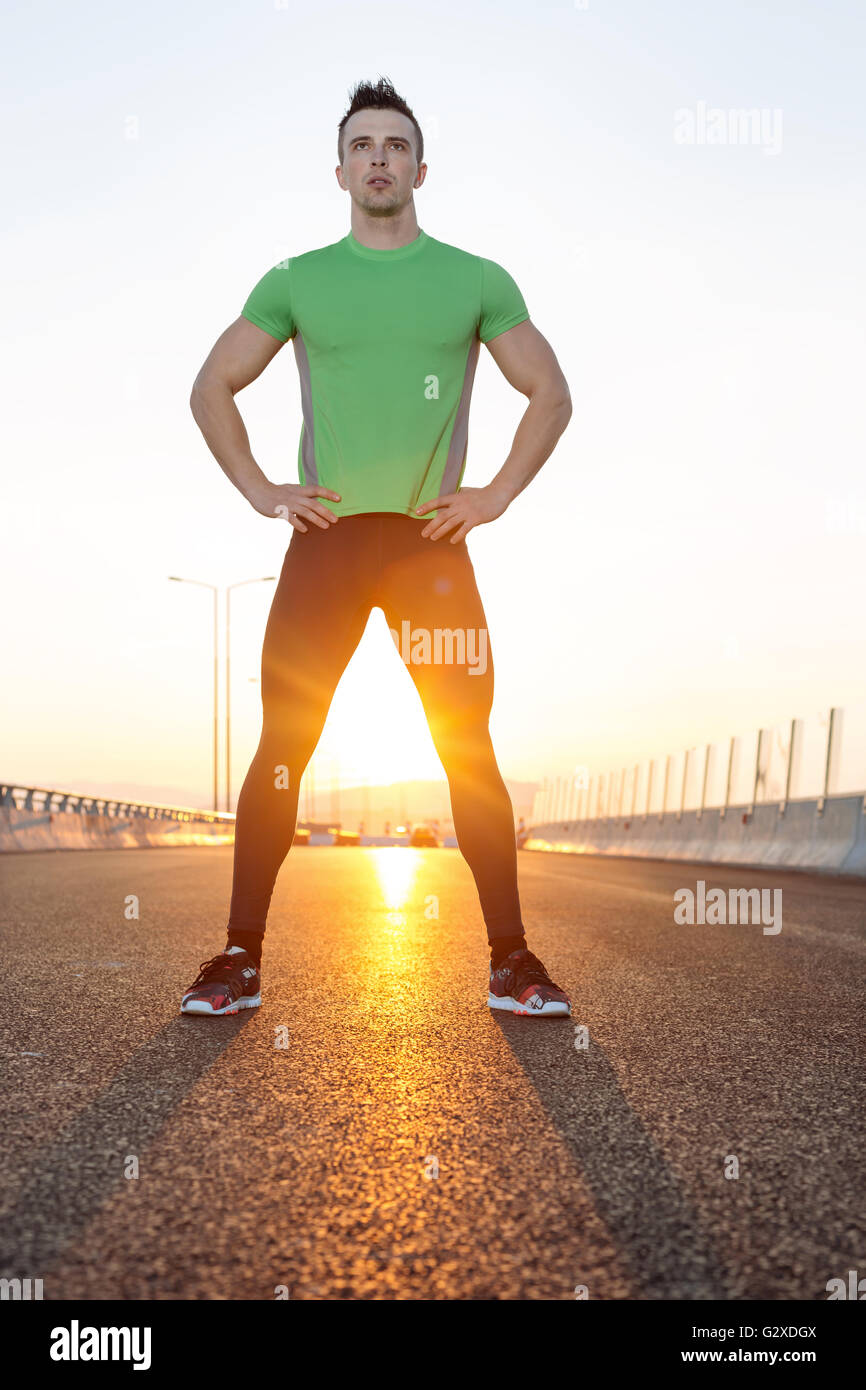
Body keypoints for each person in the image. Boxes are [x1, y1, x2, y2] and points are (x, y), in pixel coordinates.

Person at [183, 77, 572, 1019]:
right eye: (364, 145)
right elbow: (211, 387)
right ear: (342, 169)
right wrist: (261, 489)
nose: (380, 159)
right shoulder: (296, 281)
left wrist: (496, 494)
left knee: (466, 749)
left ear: (421, 167)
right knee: (284, 747)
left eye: (396, 145)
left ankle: (512, 963)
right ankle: (238, 959)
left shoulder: (476, 278)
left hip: (431, 548)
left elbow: (550, 394)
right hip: (326, 543)